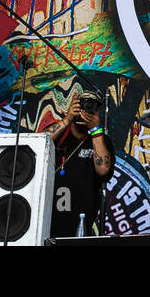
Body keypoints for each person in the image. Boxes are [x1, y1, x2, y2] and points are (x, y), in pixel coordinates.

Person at [45, 92, 114, 237]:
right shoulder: (58, 134)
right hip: (47, 220)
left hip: (80, 225)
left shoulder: (101, 141)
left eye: (91, 107)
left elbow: (103, 170)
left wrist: (95, 129)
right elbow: (37, 143)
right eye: (81, 104)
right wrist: (67, 119)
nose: (85, 111)